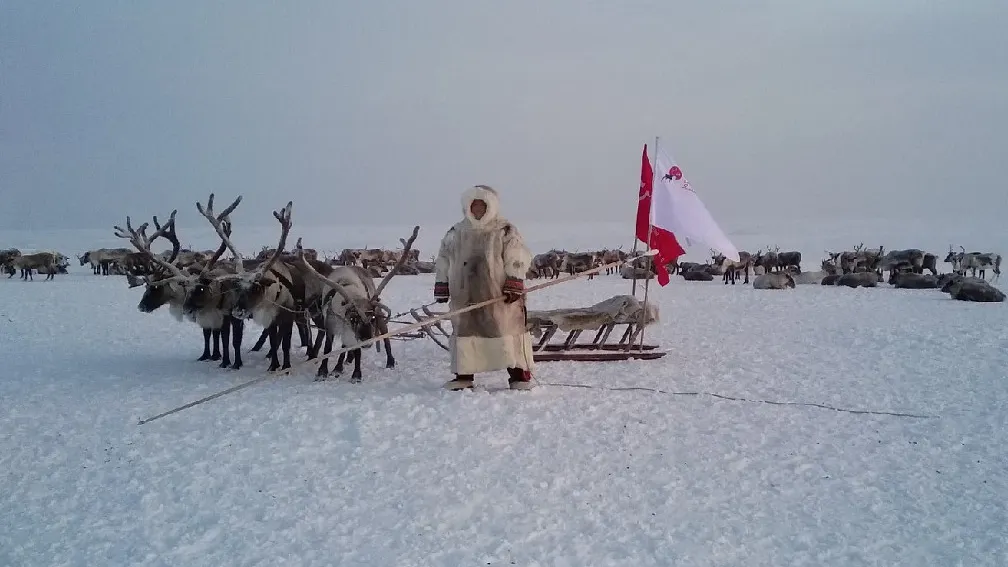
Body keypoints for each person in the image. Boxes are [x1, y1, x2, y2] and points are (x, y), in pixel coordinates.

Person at [433, 185, 536, 390]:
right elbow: (444, 258)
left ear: (491, 206)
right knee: (465, 332)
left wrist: (514, 280)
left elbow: (517, 255)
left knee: (505, 330)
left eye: (482, 205)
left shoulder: (504, 230)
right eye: (474, 205)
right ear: (467, 207)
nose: (478, 209)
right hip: (464, 294)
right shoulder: (457, 232)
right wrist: (442, 282)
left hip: (498, 294)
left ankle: (519, 376)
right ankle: (464, 376)